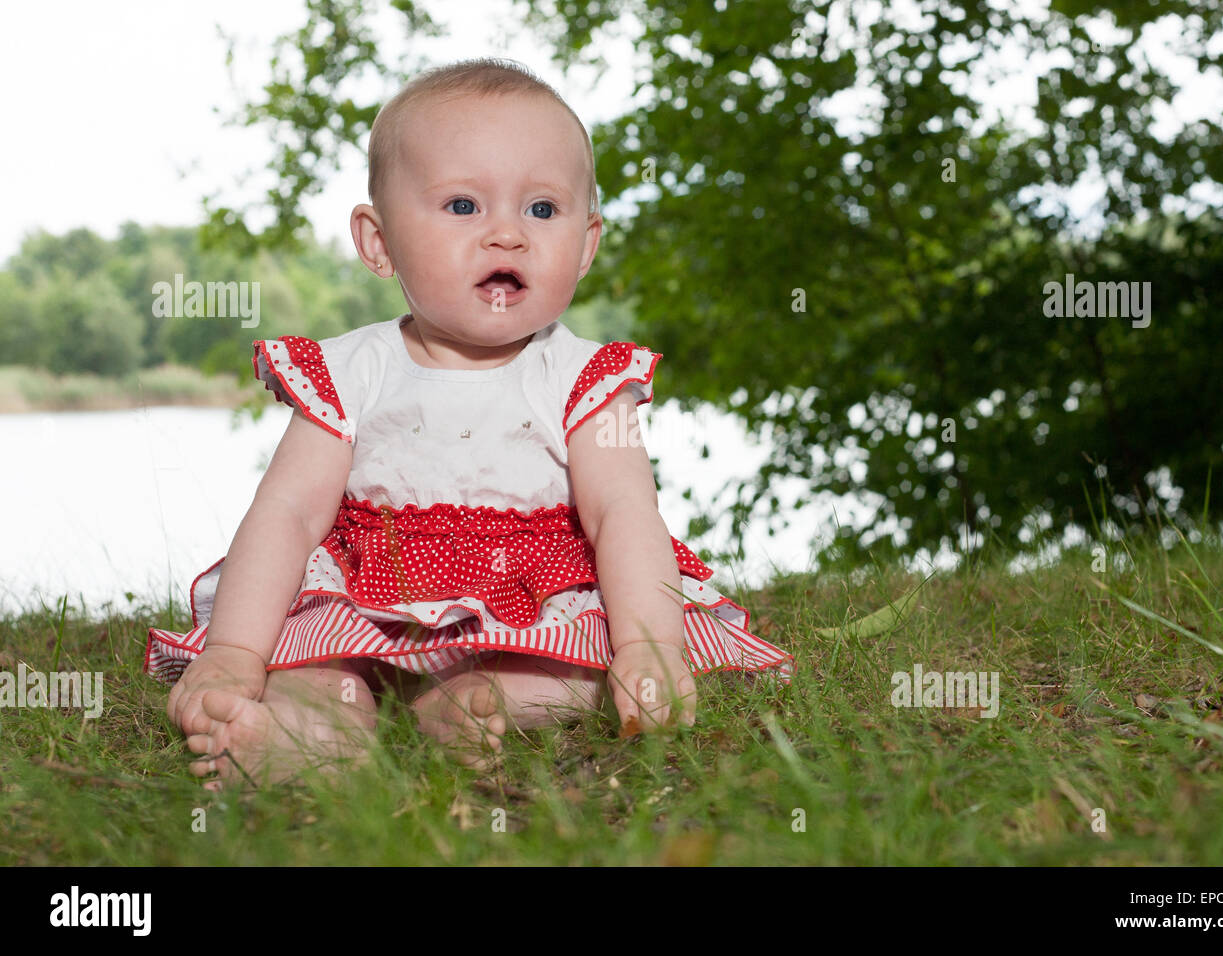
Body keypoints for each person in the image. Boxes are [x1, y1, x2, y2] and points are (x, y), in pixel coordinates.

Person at [145, 56, 794, 789]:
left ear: (584, 245)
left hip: (532, 601)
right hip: (375, 594)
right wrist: (234, 650)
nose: (507, 236)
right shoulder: (353, 371)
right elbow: (289, 513)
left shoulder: (583, 378)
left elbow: (622, 513)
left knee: (573, 663)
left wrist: (648, 646)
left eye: (542, 210)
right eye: (463, 206)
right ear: (378, 241)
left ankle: (476, 706)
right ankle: (305, 738)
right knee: (321, 672)